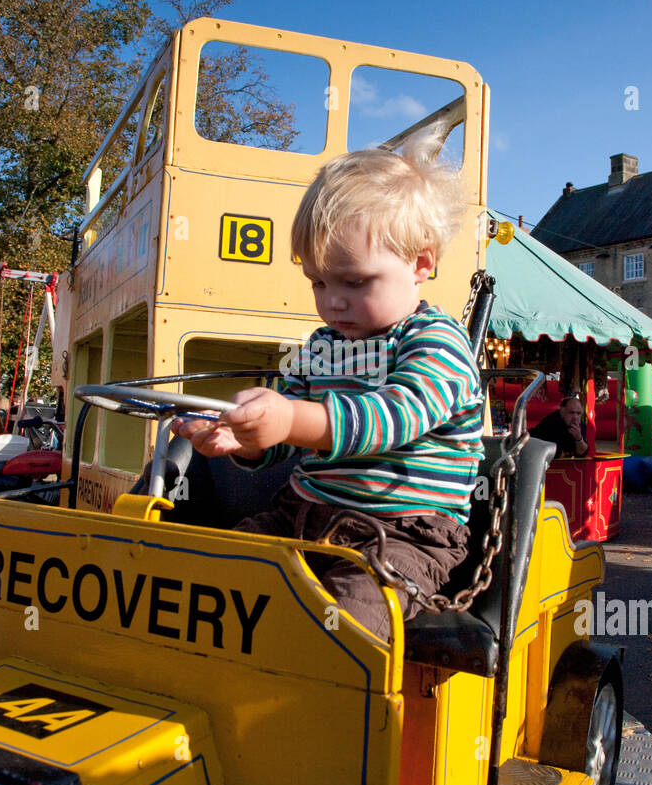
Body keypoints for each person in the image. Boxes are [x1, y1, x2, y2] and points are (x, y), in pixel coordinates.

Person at [173, 130, 484, 641]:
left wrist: (290, 420)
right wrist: (245, 442)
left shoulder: (435, 342)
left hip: (404, 535)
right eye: (319, 282)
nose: (332, 302)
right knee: (217, 574)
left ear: (420, 264)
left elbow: (394, 416)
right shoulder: (320, 344)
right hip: (303, 515)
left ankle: (321, 715)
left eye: (355, 282)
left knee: (347, 620)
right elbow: (285, 429)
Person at [531, 394, 589, 459]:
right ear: (562, 412)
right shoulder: (551, 423)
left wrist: (579, 439)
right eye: (571, 413)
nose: (575, 417)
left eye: (578, 413)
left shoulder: (580, 425)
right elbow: (556, 453)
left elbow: (582, 452)